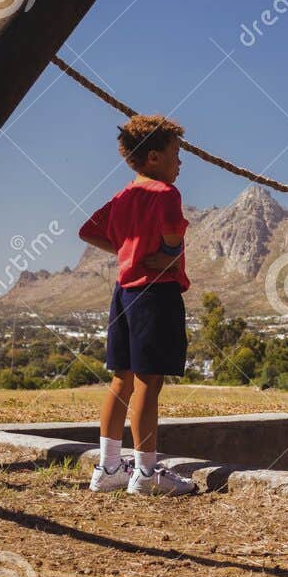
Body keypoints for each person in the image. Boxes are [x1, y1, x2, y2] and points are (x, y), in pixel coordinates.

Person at [78, 114, 198, 497]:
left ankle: (109, 467)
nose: (180, 162)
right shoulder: (165, 194)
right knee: (150, 382)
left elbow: (88, 231)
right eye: (175, 154)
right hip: (156, 293)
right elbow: (172, 242)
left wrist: (127, 250)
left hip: (125, 292)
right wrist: (164, 256)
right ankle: (146, 473)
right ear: (153, 158)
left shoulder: (124, 195)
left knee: (121, 380)